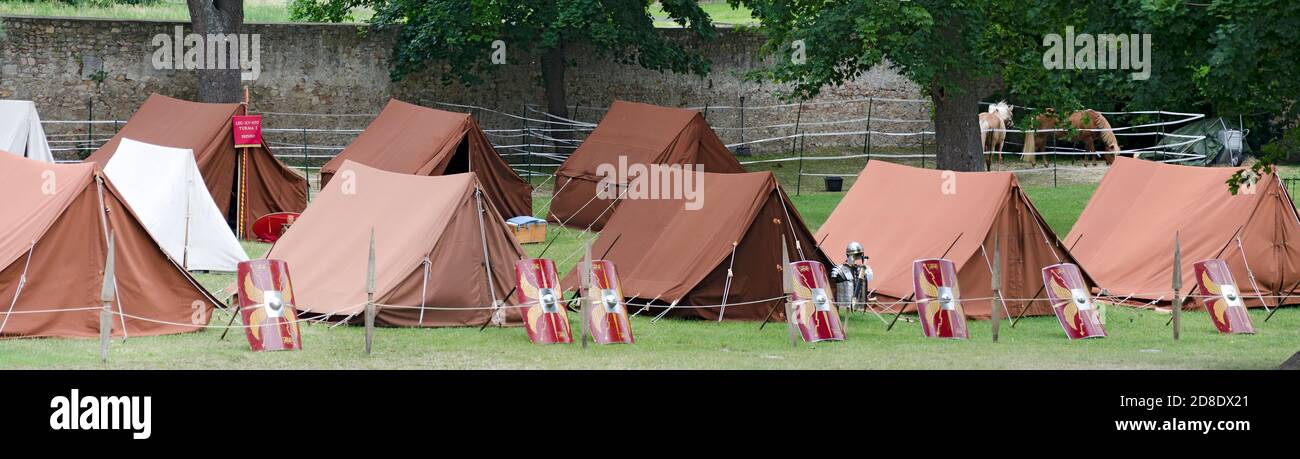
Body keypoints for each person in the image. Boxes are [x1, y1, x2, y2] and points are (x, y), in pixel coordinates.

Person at [831, 241, 872, 311]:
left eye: (858, 255)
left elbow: (870, 277)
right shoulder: (839, 269)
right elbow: (832, 286)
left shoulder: (863, 269)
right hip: (843, 302)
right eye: (855, 255)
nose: (856, 258)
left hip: (859, 303)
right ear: (849, 255)